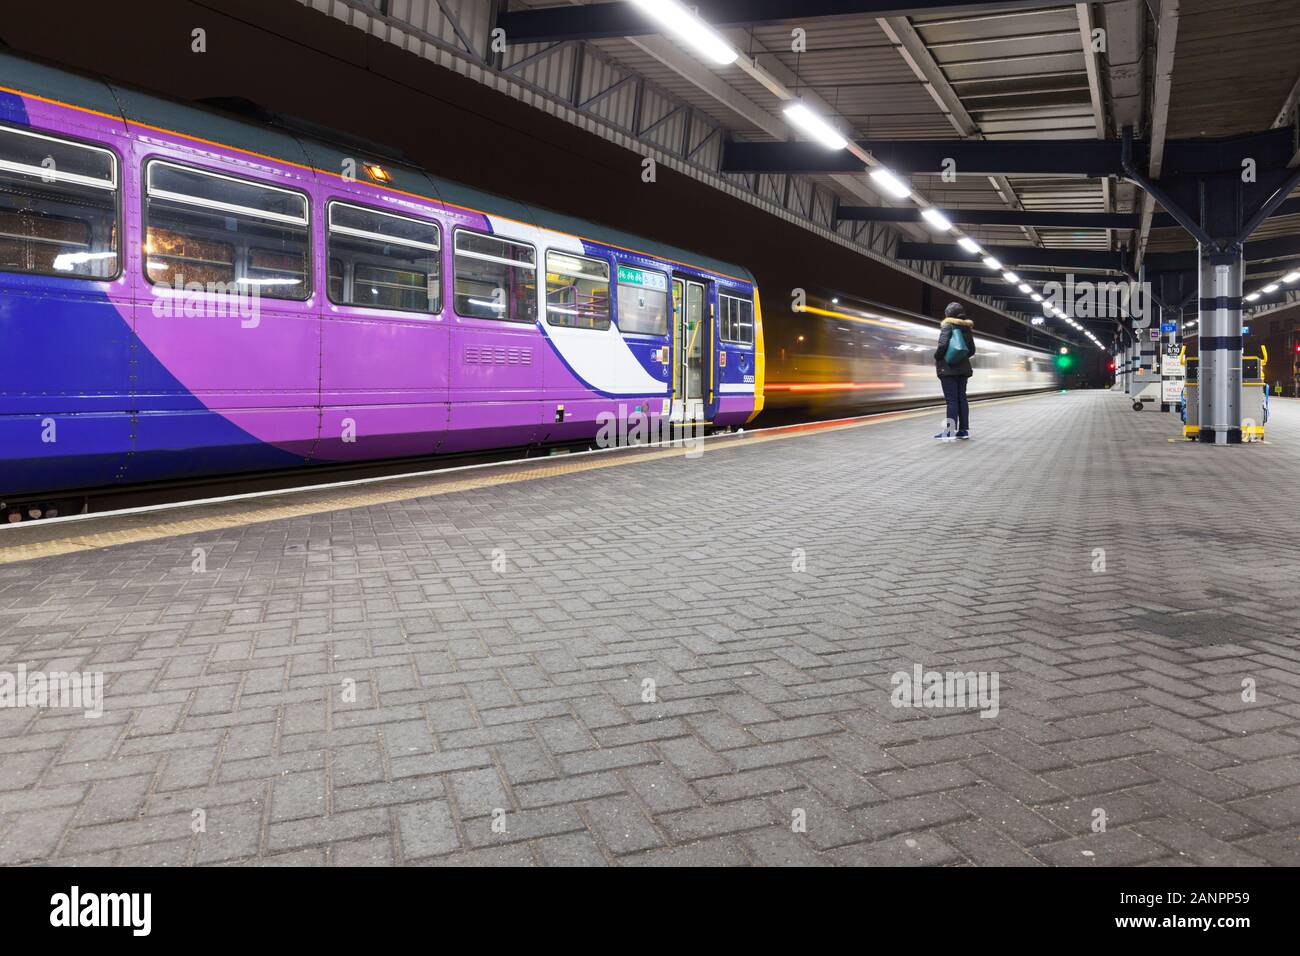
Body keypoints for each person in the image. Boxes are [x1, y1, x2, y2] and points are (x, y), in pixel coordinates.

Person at [934, 301, 976, 441]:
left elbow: (942, 345)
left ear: (948, 314)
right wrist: (961, 357)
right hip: (963, 369)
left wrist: (938, 357)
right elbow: (972, 350)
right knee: (962, 399)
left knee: (951, 401)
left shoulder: (948, 326)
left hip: (948, 370)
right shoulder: (967, 328)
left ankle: (950, 431)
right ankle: (963, 430)